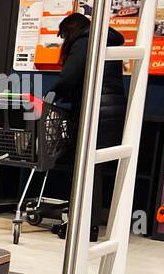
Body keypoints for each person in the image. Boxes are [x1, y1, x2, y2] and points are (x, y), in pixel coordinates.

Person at [48, 12, 128, 234]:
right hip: (109, 110)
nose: (65, 40)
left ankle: (83, 227)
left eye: (64, 35)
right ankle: (87, 225)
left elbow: (69, 77)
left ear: (72, 30)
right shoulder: (102, 40)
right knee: (93, 169)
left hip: (95, 113)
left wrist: (50, 96)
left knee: (86, 170)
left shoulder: (84, 42)